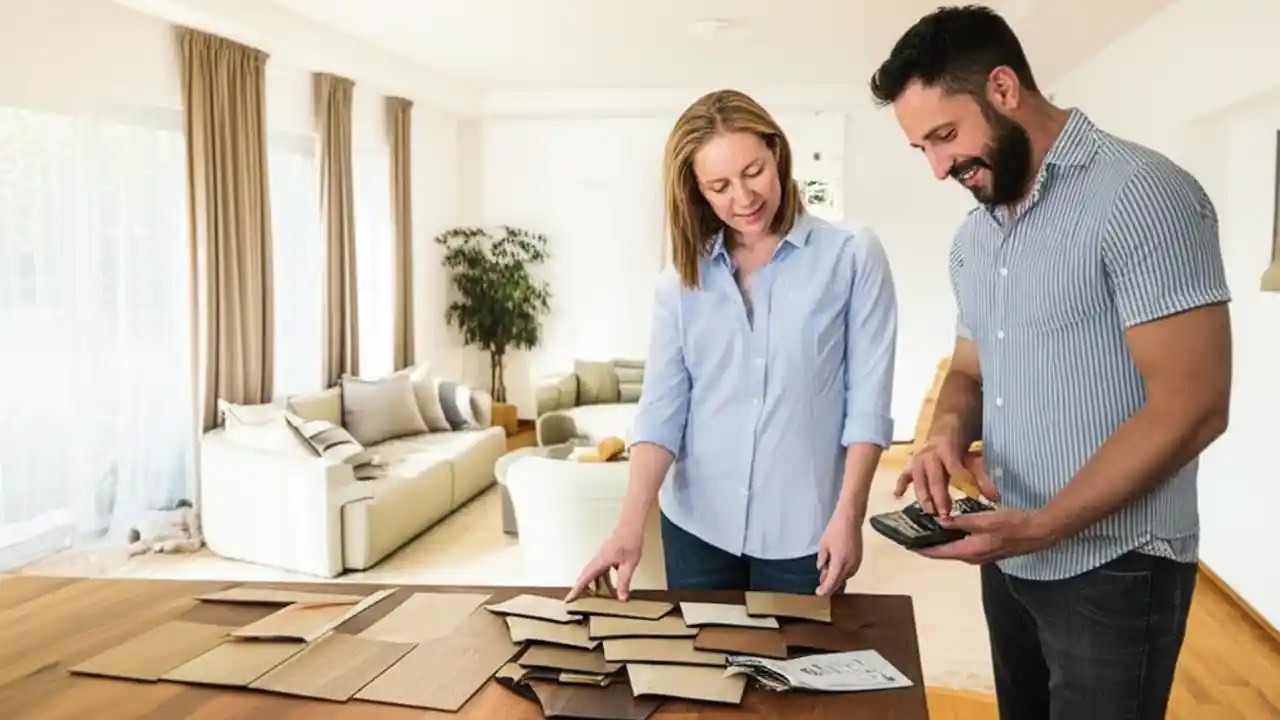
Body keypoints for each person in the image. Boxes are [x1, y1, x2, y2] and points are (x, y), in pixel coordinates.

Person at [869, 6, 1233, 719]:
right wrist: (944, 433)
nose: (940, 167)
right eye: (923, 150)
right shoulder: (975, 239)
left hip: (1118, 565)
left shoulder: (1144, 196)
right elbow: (970, 372)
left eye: (945, 136)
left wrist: (1046, 524)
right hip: (1009, 553)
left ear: (1003, 88)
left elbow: (1194, 407)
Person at [564, 89, 898, 602]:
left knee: (796, 674)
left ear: (777, 153)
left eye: (753, 172)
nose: (742, 199)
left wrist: (849, 514)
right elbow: (662, 409)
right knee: (704, 675)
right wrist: (629, 524)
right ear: (696, 191)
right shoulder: (680, 279)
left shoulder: (851, 257)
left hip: (801, 530)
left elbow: (868, 404)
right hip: (697, 524)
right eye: (719, 186)